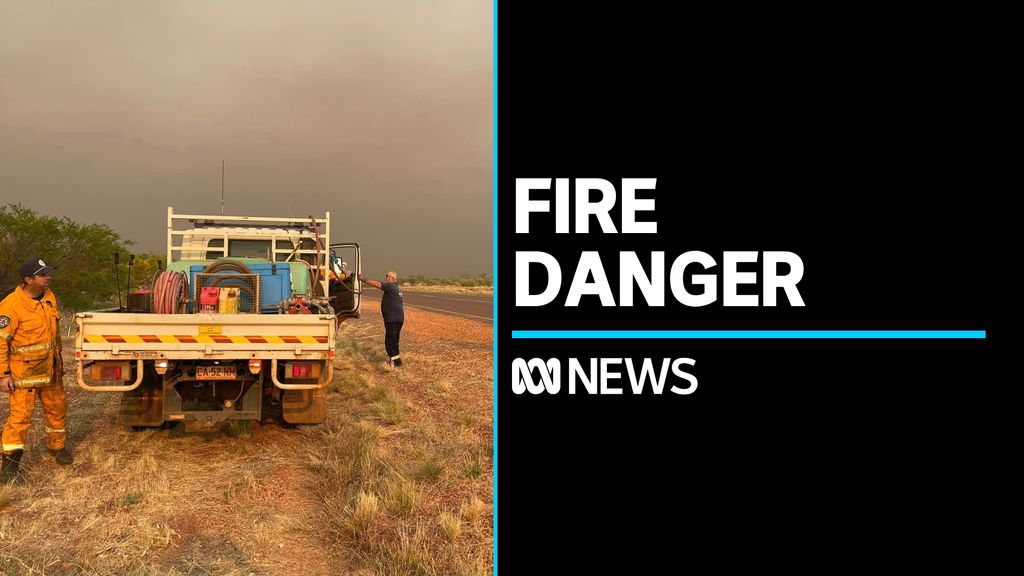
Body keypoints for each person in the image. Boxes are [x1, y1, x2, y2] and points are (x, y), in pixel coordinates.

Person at [0, 258, 72, 484]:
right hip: (25, 375)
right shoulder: (10, 306)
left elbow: (54, 334)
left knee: (57, 410)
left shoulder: (49, 297)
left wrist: (59, 363)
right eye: (42, 275)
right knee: (20, 418)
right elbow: (0, 342)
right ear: (28, 279)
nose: (48, 277)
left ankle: (57, 447)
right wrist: (3, 375)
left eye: (47, 273)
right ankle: (10, 466)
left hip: (51, 371)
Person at [357, 270, 404, 367]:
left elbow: (378, 284)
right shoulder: (398, 288)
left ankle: (396, 362)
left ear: (391, 278)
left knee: (390, 341)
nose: (385, 277)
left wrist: (364, 279)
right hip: (397, 319)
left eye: (387, 276)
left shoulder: (390, 286)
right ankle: (394, 360)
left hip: (392, 319)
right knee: (394, 340)